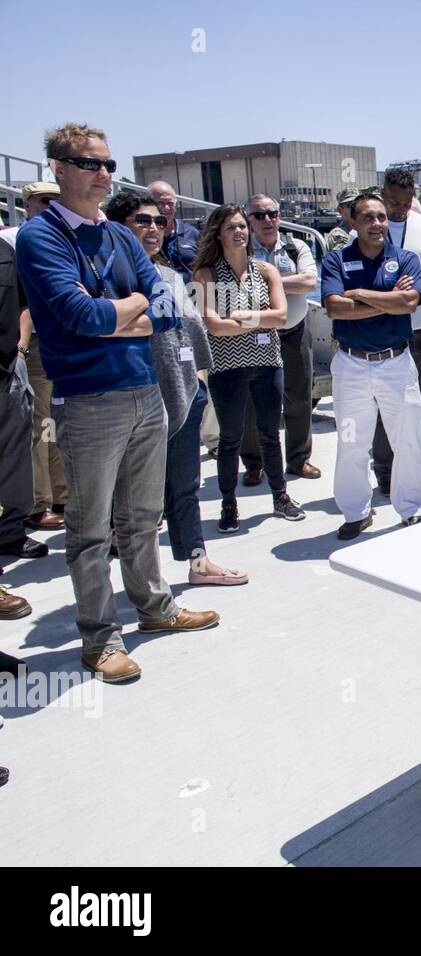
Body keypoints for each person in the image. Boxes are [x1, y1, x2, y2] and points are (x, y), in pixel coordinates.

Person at [16, 123, 218, 683]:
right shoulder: (42, 236)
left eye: (109, 164)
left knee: (141, 517)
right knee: (89, 530)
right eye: (90, 163)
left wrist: (117, 314)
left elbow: (167, 311)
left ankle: (154, 610)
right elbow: (82, 319)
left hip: (144, 389)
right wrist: (128, 311)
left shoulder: (121, 235)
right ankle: (99, 639)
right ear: (58, 168)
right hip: (88, 401)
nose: (104, 174)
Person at [104, 193, 246, 586]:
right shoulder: (110, 277)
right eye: (141, 221)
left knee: (186, 487)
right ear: (117, 227)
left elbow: (193, 330)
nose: (153, 229)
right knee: (139, 503)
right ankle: (146, 585)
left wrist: (200, 380)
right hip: (137, 403)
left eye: (159, 222)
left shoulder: (168, 275)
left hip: (186, 395)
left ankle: (198, 562)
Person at [191, 204, 305, 533]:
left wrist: (239, 318)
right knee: (230, 439)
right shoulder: (205, 275)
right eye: (231, 228)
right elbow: (213, 325)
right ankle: (229, 503)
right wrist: (258, 319)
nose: (240, 232)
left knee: (271, 434)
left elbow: (281, 317)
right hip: (227, 367)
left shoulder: (266, 271)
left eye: (242, 226)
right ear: (218, 234)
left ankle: (280, 495)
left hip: (268, 364)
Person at [320, 194, 421, 540]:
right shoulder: (336, 259)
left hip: (396, 363)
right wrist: (387, 300)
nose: (377, 223)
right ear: (353, 222)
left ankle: (411, 508)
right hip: (351, 365)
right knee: (351, 441)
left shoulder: (405, 259)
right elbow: (335, 308)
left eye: (382, 217)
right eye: (368, 217)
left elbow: (409, 302)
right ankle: (356, 512)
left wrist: (360, 294)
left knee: (408, 440)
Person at [371, 168, 421, 493]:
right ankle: (385, 470)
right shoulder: (368, 228)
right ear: (383, 193)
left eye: (405, 203)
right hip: (383, 331)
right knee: (383, 405)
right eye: (393, 201)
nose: (398, 208)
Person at [240, 194, 321, 483]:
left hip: (295, 331)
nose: (267, 220)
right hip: (254, 335)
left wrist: (268, 281)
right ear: (248, 219)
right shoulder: (241, 249)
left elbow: (311, 282)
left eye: (272, 214)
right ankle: (253, 463)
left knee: (299, 398)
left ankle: (299, 460)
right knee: (254, 403)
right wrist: (287, 284)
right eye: (259, 215)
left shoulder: (295, 246)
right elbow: (238, 287)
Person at [7, 182, 68, 531]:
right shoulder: (16, 240)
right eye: (46, 201)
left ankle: (63, 495)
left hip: (68, 341)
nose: (51, 206)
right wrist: (22, 344)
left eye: (58, 200)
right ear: (27, 203)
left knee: (61, 423)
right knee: (41, 424)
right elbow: (22, 301)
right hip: (37, 344)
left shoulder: (64, 236)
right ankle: (38, 502)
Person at [0, 213, 47, 562]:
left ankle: (12, 532)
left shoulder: (6, 252)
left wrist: (19, 349)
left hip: (8, 367)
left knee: (16, 452)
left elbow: (24, 306)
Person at [148, 180, 201, 282]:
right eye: (161, 203)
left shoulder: (192, 233)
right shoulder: (144, 235)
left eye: (170, 203)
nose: (167, 207)